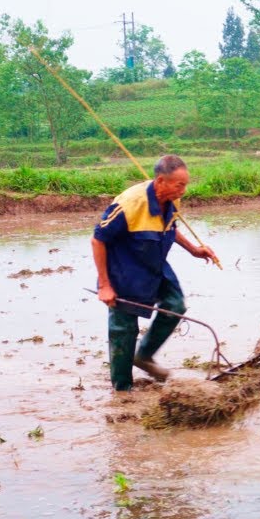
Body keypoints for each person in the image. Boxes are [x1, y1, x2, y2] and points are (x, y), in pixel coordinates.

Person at [91, 154, 219, 391]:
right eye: (180, 184)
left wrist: (194, 250)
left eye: (185, 184)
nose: (184, 190)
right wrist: (104, 285)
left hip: (155, 263)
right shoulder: (129, 205)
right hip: (125, 268)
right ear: (161, 181)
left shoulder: (172, 199)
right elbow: (98, 240)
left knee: (175, 304)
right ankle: (122, 391)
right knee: (124, 328)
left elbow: (169, 227)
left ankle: (144, 355)